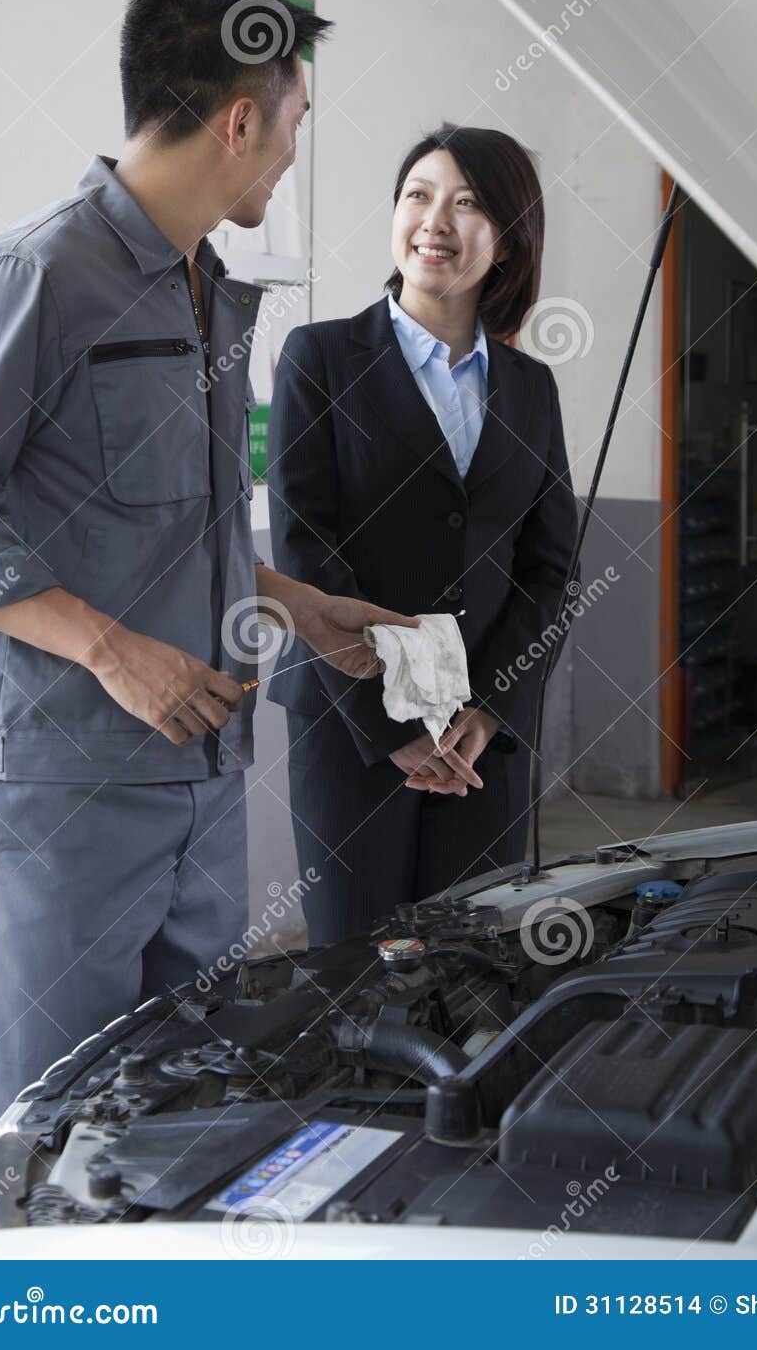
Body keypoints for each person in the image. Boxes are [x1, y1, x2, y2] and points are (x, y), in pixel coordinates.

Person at [0, 0, 417, 1167]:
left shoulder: (211, 295)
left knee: (173, 1138)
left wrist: (303, 606)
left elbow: (187, 528)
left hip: (201, 787)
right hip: (57, 805)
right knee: (36, 1146)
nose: (287, 157)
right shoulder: (39, 277)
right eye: (292, 124)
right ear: (241, 118)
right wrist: (113, 654)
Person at [267, 124, 578, 942]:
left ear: (507, 243)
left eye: (468, 204)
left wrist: (494, 709)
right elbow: (304, 547)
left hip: (484, 743)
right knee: (354, 971)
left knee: (470, 972)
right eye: (418, 195)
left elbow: (549, 567)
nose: (435, 221)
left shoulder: (530, 388)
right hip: (354, 733)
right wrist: (395, 724)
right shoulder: (320, 358)